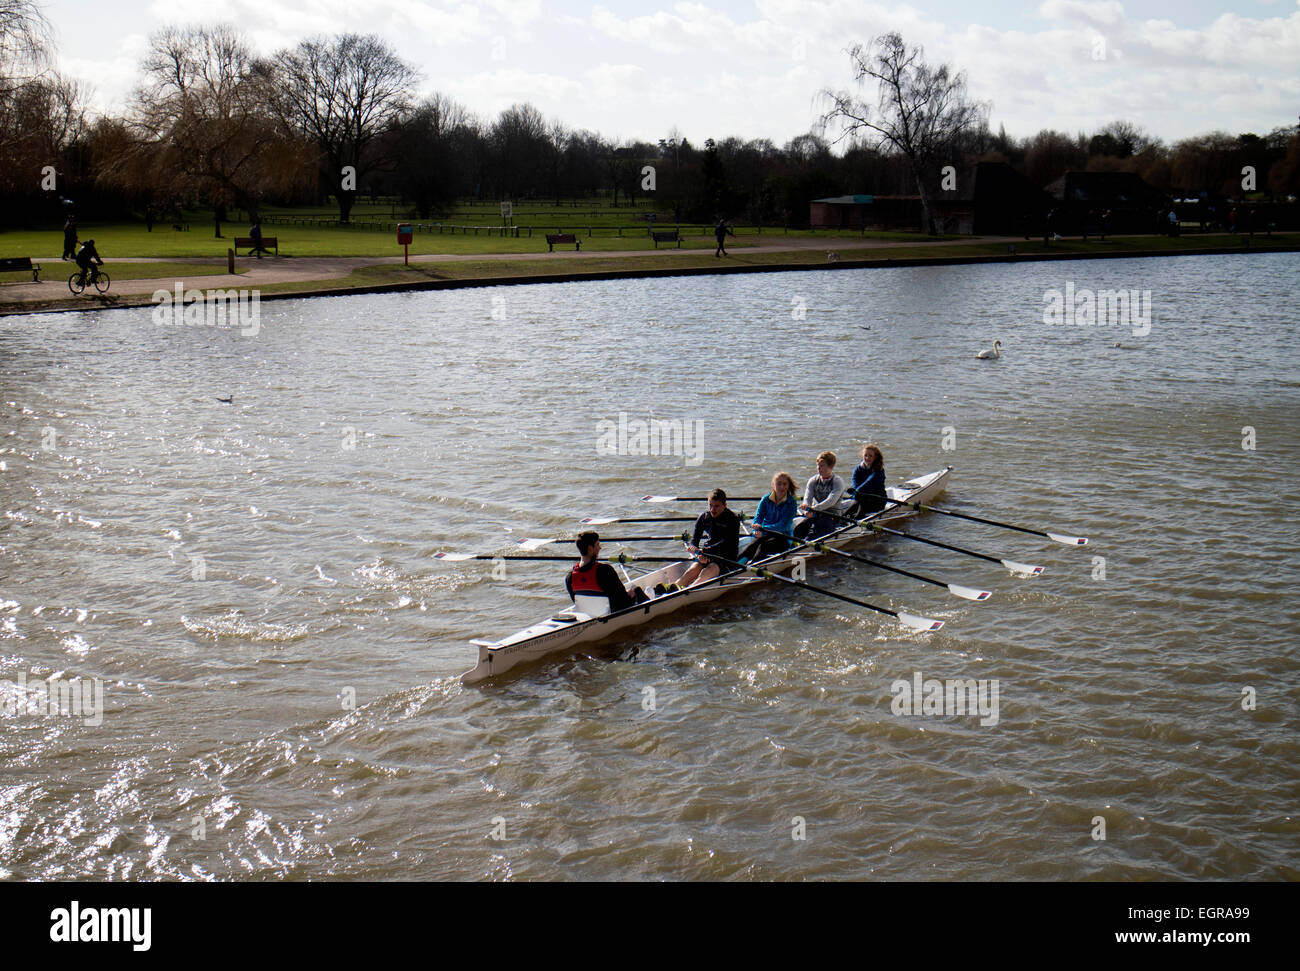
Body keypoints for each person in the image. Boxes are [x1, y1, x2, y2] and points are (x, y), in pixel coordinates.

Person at [663, 488, 741, 589]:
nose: (712, 509)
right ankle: (671, 589)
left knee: (705, 573)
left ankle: (686, 592)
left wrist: (704, 552)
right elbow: (694, 541)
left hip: (726, 558)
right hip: (708, 554)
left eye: (716, 506)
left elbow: (728, 544)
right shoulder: (704, 517)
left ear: (724, 505)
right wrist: (695, 550)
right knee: (690, 572)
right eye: (710, 505)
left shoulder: (732, 520)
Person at [565, 531, 649, 613]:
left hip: (590, 613)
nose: (600, 548)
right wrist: (631, 594)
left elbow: (578, 603)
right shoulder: (605, 571)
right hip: (612, 612)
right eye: (597, 544)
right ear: (590, 548)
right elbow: (623, 600)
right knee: (636, 590)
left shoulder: (570, 578)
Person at [739, 471, 798, 564]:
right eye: (779, 484)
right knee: (752, 546)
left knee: (763, 546)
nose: (782, 487)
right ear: (773, 485)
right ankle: (735, 567)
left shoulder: (792, 503)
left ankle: (752, 567)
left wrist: (762, 529)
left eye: (784, 484)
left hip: (783, 537)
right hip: (766, 534)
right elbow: (758, 517)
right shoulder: (766, 499)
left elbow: (782, 526)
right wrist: (755, 528)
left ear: (788, 485)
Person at [793, 451, 845, 540]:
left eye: (822, 465)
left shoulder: (837, 481)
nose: (818, 468)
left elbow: (830, 501)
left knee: (815, 531)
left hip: (832, 515)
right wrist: (806, 509)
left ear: (831, 466)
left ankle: (806, 545)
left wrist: (813, 509)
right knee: (799, 529)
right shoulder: (813, 480)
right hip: (816, 513)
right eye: (818, 465)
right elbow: (807, 497)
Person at [843, 444, 887, 519]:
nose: (867, 458)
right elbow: (855, 483)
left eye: (870, 456)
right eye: (865, 455)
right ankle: (843, 520)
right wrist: (854, 491)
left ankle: (856, 520)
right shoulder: (858, 469)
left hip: (877, 500)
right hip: (862, 498)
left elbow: (869, 483)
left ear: (875, 457)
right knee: (846, 513)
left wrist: (857, 492)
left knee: (860, 506)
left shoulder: (879, 470)